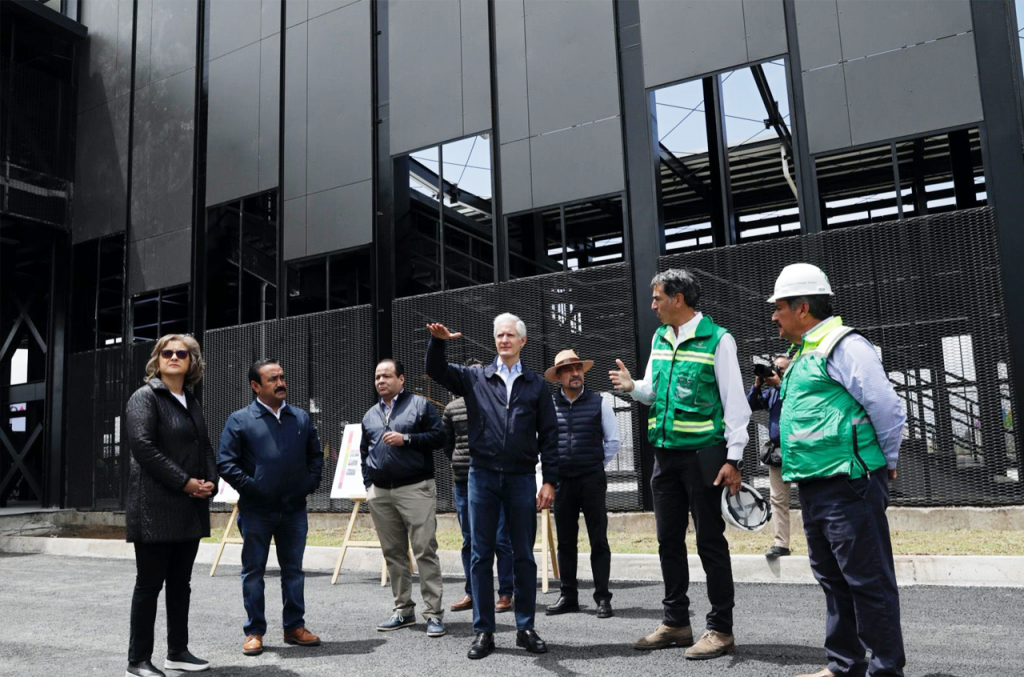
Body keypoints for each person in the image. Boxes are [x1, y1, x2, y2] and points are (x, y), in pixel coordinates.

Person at [769, 263, 906, 677]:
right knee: (833, 579)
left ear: (803, 307)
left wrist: (888, 462)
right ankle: (845, 665)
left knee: (867, 581)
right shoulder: (806, 350)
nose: (774, 316)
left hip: (851, 484)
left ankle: (885, 670)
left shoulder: (845, 346)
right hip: (815, 485)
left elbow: (887, 408)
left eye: (778, 307)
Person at [610, 269, 751, 659]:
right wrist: (631, 387)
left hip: (703, 457)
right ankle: (676, 623)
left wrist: (734, 458)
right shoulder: (660, 337)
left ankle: (721, 629)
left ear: (679, 299)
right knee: (667, 541)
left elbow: (735, 403)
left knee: (709, 542)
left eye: (657, 298)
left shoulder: (718, 340)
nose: (652, 305)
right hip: (664, 455)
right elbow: (653, 391)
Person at [425, 313, 558, 660]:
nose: (504, 340)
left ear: (523, 341)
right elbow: (437, 371)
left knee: (524, 556)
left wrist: (550, 481)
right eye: (499, 335)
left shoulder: (535, 385)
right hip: (481, 476)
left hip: (520, 478)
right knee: (481, 555)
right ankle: (483, 630)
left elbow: (550, 436)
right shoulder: (474, 378)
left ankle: (525, 627)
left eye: (510, 335)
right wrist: (438, 342)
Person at [124, 335, 217, 677]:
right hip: (154, 508)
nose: (174, 357)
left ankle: (177, 652)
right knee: (149, 585)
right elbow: (143, 447)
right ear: (157, 359)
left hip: (188, 508)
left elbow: (205, 447)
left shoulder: (190, 401)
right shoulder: (144, 397)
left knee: (181, 583)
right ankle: (137, 661)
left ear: (192, 362)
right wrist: (185, 482)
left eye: (182, 353)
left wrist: (210, 481)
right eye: (167, 352)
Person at [217, 359, 323, 657]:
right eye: (273, 379)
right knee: (253, 572)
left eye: (282, 377)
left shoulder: (300, 418)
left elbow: (315, 456)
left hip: (293, 510)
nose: (281, 383)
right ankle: (254, 632)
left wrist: (309, 484)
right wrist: (255, 489)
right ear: (255, 386)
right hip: (256, 511)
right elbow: (226, 463)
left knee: (294, 572)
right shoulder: (239, 420)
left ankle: (294, 627)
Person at [360, 358, 447, 637]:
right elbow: (365, 452)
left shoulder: (420, 405)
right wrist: (368, 485)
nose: (381, 381)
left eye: (387, 376)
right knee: (393, 554)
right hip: (381, 493)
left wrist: (407, 439)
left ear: (402, 379)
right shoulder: (370, 415)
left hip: (416, 488)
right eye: (377, 377)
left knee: (424, 550)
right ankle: (403, 611)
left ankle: (433, 613)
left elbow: (439, 437)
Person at [544, 349, 620, 619]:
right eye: (568, 370)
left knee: (598, 539)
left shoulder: (600, 402)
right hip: (562, 481)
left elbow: (613, 442)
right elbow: (543, 445)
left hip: (592, 479)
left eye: (578, 368)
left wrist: (595, 465)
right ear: (559, 377)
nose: (575, 373)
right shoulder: (549, 406)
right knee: (566, 542)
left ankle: (602, 597)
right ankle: (568, 596)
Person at [442, 357, 516, 615]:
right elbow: (447, 444)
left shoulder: (497, 403)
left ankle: (506, 593)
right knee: (469, 540)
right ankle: (472, 593)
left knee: (499, 539)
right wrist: (460, 461)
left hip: (494, 478)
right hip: (463, 482)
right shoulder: (452, 409)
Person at [747, 354, 793, 559]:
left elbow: (797, 401)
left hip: (801, 451)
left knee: (813, 497)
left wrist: (782, 384)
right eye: (774, 368)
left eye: (781, 369)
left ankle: (821, 541)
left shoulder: (795, 388)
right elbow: (751, 405)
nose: (775, 372)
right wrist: (758, 385)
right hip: (778, 452)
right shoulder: (773, 392)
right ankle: (781, 543)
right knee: (777, 499)